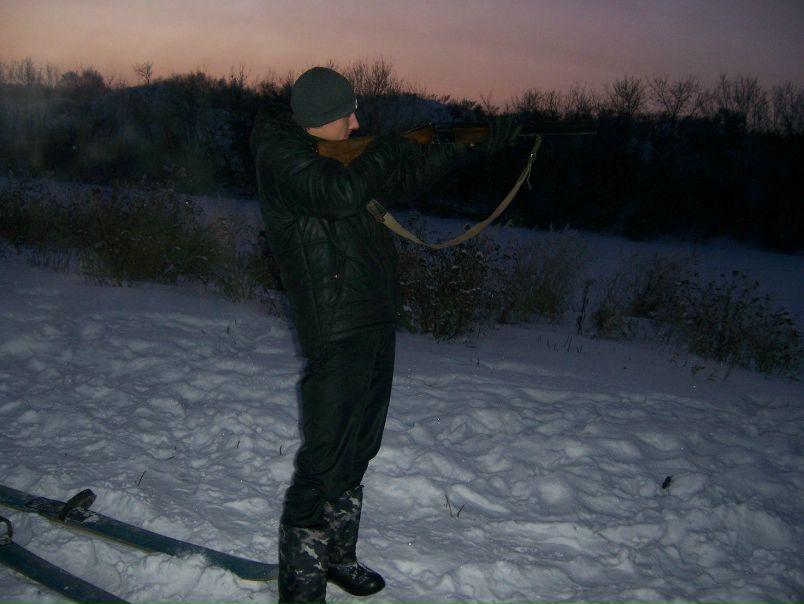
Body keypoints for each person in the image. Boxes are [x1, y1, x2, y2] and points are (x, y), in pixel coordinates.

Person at [251, 66, 519, 604]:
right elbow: (343, 192)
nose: (356, 122)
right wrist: (391, 146)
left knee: (360, 446)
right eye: (347, 115)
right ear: (320, 118)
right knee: (324, 456)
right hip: (334, 323)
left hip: (372, 312)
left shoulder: (334, 152)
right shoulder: (282, 157)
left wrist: (461, 148)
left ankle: (337, 558)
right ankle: (301, 588)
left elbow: (398, 182)